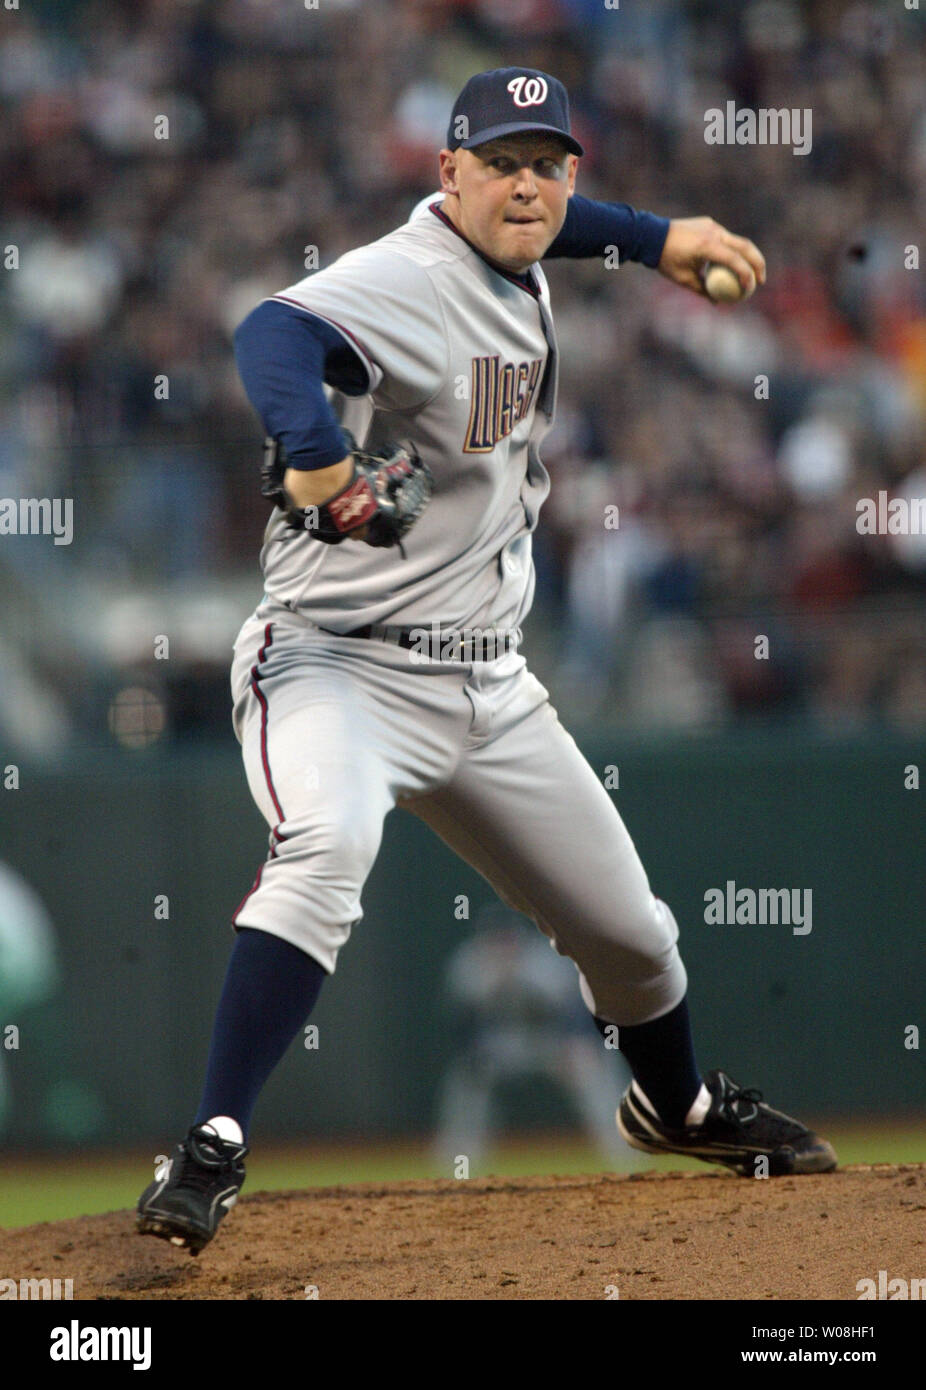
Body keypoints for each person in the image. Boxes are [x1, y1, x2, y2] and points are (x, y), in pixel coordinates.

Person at [137, 68, 835, 1256]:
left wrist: (660, 239)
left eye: (546, 160)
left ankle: (675, 1106)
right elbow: (273, 333)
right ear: (443, 170)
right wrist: (313, 447)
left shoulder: (520, 242)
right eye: (498, 159)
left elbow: (556, 225)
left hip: (487, 683)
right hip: (337, 667)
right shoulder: (404, 279)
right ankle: (209, 1144)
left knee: (635, 939)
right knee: (326, 849)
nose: (525, 182)